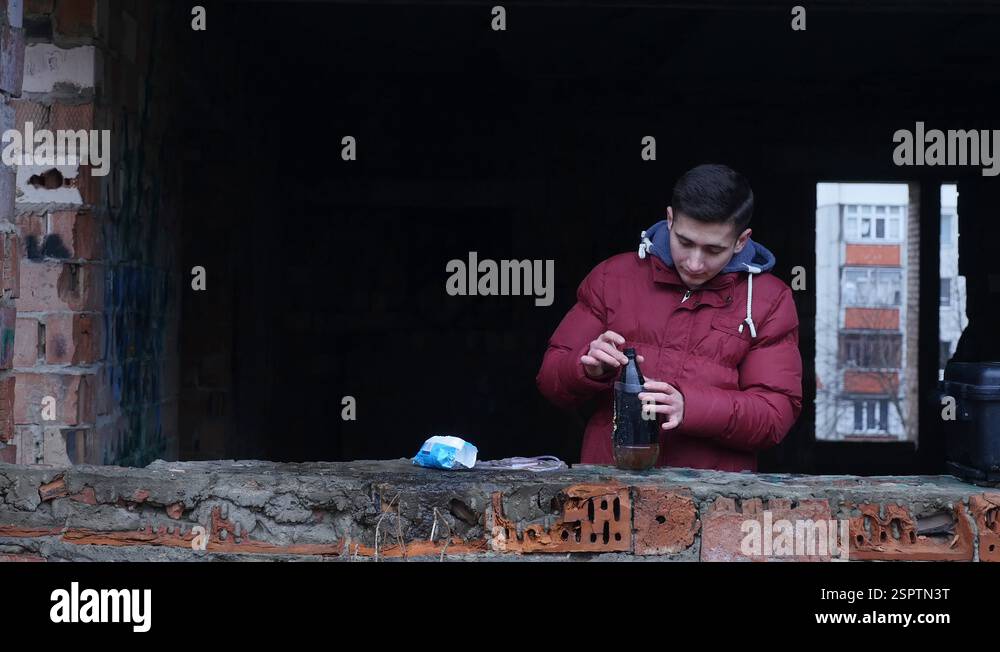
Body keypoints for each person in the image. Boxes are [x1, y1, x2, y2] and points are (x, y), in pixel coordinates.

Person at [536, 163, 803, 471]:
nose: (694, 263)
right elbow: (549, 380)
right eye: (685, 242)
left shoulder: (770, 300)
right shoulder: (613, 277)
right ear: (670, 219)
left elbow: (775, 415)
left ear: (741, 240)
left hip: (713, 498)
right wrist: (587, 368)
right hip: (609, 490)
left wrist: (690, 406)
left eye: (713, 250)